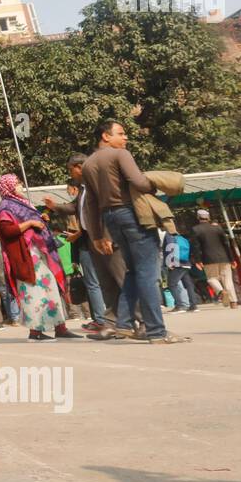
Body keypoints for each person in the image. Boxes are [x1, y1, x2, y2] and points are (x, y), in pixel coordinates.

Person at [81, 120, 174, 342]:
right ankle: (157, 331)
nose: (125, 138)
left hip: (110, 219)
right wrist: (155, 185)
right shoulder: (119, 155)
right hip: (132, 214)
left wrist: (96, 235)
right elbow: (139, 181)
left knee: (132, 271)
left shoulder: (87, 164)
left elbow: (90, 204)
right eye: (121, 133)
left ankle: (122, 324)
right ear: (105, 136)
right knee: (147, 274)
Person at [0, 175, 77, 340]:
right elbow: (6, 231)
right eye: (16, 183)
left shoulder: (22, 203)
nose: (20, 185)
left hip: (39, 254)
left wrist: (41, 219)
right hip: (27, 257)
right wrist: (31, 224)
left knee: (51, 290)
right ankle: (35, 331)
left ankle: (60, 327)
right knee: (33, 292)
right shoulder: (6, 207)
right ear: (8, 187)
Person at [66, 153, 121, 338]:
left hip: (104, 239)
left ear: (80, 167)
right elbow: (80, 212)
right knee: (105, 283)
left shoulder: (95, 185)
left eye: (71, 169)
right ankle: (112, 322)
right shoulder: (83, 189)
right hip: (93, 240)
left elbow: (102, 212)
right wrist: (54, 206)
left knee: (118, 280)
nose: (70, 174)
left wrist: (104, 236)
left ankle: (143, 322)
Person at [191, 209, 238, 309]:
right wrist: (232, 258)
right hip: (224, 257)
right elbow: (226, 244)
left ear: (198, 217)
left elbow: (196, 246)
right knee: (228, 280)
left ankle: (221, 291)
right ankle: (233, 302)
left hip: (208, 259)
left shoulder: (196, 229)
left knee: (212, 278)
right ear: (208, 217)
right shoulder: (218, 228)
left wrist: (198, 260)